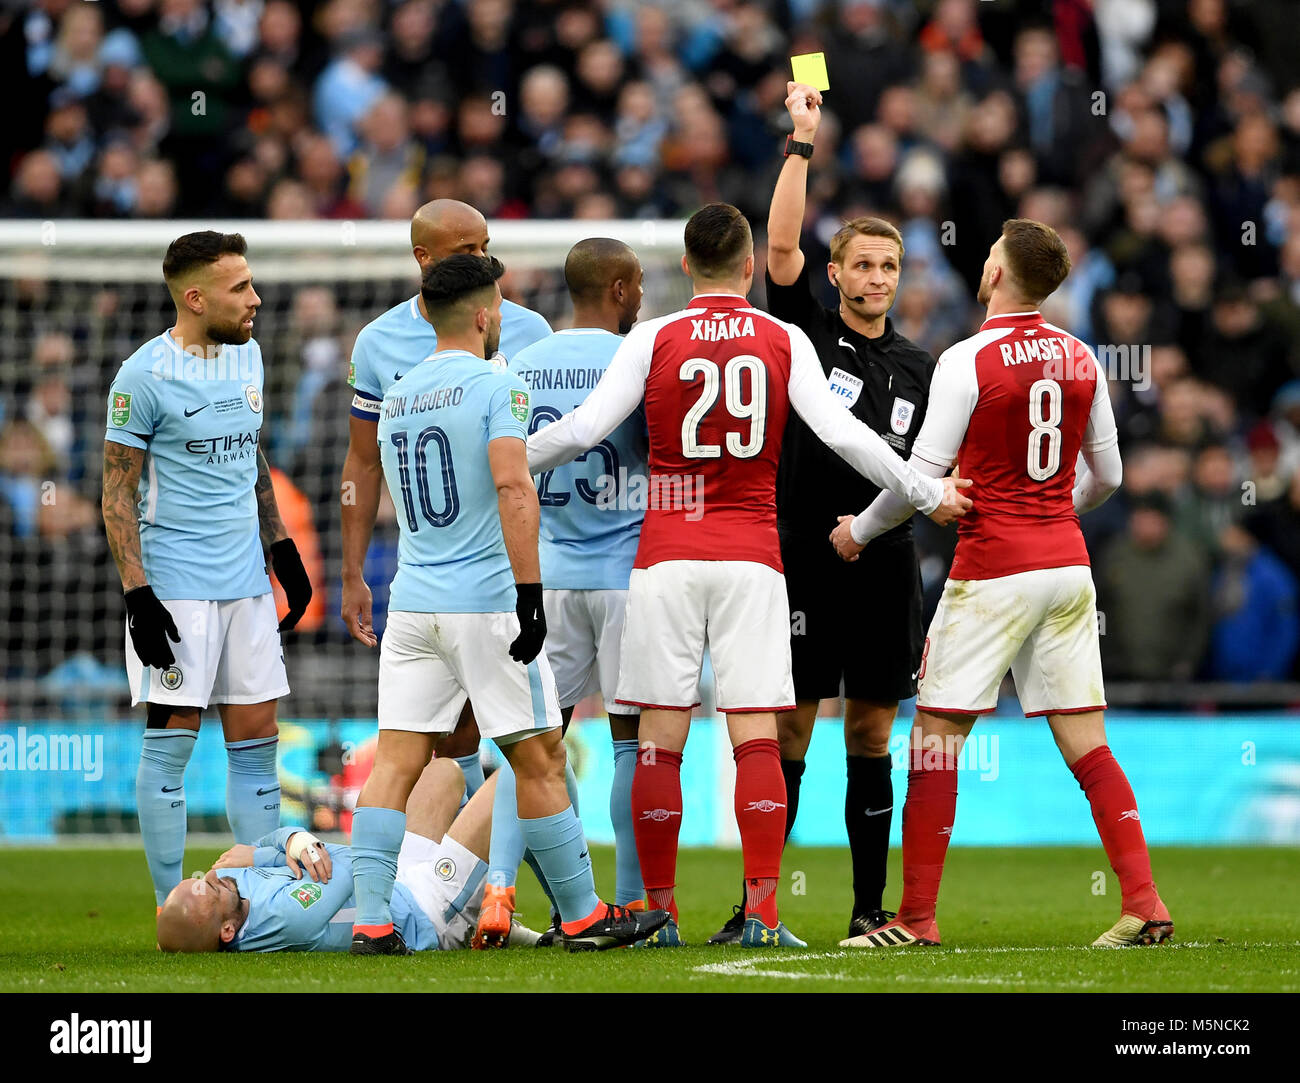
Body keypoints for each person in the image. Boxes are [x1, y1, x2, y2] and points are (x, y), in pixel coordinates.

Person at [527, 203, 972, 948]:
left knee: (660, 738)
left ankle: (660, 914)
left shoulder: (651, 336)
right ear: (747, 267)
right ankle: (763, 912)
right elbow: (844, 434)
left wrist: (505, 458)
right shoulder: (784, 337)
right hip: (753, 559)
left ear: (683, 267)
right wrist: (928, 493)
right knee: (756, 737)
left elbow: (580, 432)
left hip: (666, 558)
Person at [831, 219, 1173, 949]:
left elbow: (919, 482)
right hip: (1066, 566)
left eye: (988, 257)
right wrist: (1051, 511)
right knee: (1088, 743)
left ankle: (917, 917)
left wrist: (856, 532)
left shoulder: (967, 360)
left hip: (993, 569)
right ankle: (1144, 901)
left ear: (996, 275)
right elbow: (1108, 476)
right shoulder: (1081, 356)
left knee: (932, 739)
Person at [349, 254, 668, 954]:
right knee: (541, 756)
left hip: (414, 601)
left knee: (396, 763)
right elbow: (513, 486)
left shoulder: (399, 393)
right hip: (487, 601)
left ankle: (370, 922)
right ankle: (583, 914)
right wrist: (528, 592)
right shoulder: (499, 383)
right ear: (486, 314)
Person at [710, 81, 940, 946]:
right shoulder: (805, 332)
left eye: (890, 266)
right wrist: (801, 143)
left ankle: (868, 910)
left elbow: (924, 469)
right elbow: (776, 242)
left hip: (884, 564)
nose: (876, 278)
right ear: (834, 273)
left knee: (873, 732)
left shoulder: (924, 365)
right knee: (793, 726)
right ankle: (757, 902)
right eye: (862, 265)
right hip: (803, 554)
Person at [101, 231, 313, 909]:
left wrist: (280, 546)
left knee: (256, 742)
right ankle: (173, 903)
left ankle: (261, 897)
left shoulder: (247, 356)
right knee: (172, 746)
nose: (255, 298)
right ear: (195, 298)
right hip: (177, 587)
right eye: (239, 288)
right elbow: (114, 492)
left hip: (247, 582)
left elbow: (249, 456)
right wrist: (138, 595)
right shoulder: (143, 376)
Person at [340, 199, 552, 798]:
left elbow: (539, 456)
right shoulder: (379, 343)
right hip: (438, 578)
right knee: (463, 740)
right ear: (423, 258)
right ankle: (460, 879)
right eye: (467, 252)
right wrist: (352, 571)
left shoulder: (528, 328)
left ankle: (485, 883)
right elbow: (360, 463)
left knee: (534, 740)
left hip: (516, 566)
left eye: (486, 246)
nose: (484, 260)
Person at [472, 238, 649, 949]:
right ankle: (633, 903)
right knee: (632, 742)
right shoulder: (636, 358)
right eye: (635, 285)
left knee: (533, 745)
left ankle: (500, 890)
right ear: (618, 288)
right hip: (627, 573)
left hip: (544, 578)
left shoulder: (520, 363)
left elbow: (506, 470)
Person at [155, 758, 542, 952]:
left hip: (398, 875)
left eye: (198, 876)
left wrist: (286, 846)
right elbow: (355, 861)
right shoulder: (286, 919)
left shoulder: (233, 893)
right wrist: (300, 846)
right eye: (207, 889)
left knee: (441, 771)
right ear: (226, 932)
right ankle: (498, 904)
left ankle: (485, 888)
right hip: (428, 910)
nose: (213, 876)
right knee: (521, 767)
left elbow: (278, 847)